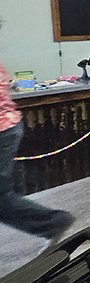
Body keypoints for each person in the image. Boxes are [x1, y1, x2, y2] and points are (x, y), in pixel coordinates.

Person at [1, 56, 74, 252]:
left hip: (3, 130)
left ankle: (54, 222)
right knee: (6, 193)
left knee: (2, 198)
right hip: (7, 127)